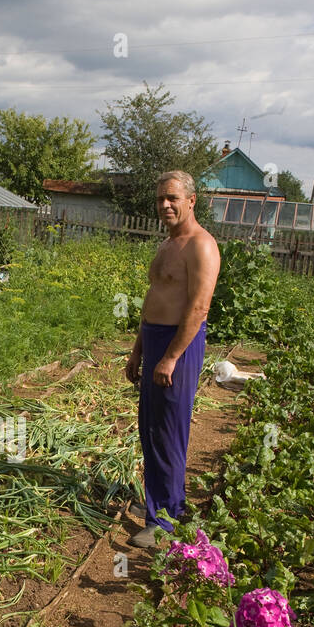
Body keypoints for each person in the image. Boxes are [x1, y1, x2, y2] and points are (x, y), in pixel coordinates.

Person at [124, 171, 220, 548]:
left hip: (179, 344)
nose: (165, 205)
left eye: (173, 199)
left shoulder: (202, 245)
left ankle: (165, 520)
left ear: (191, 201)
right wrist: (138, 349)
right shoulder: (167, 245)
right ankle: (157, 503)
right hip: (156, 340)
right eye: (160, 198)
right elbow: (153, 299)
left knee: (168, 430)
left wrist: (170, 358)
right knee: (149, 426)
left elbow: (198, 307)